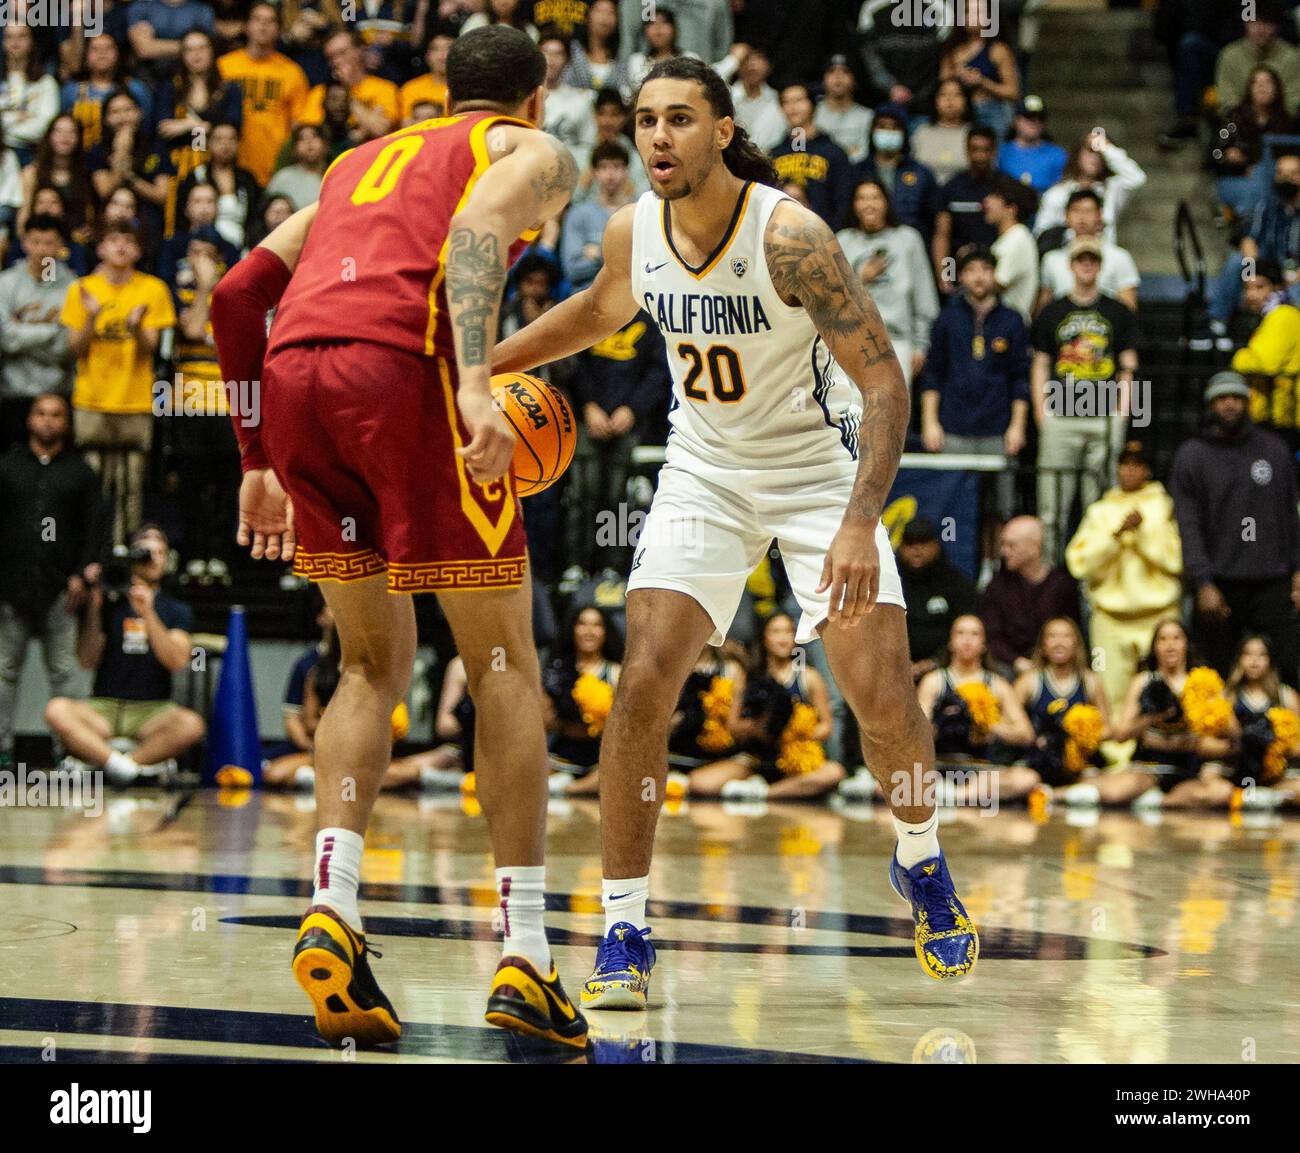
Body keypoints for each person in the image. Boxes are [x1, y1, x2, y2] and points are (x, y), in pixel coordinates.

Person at [496, 55, 981, 997]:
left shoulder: (791, 235)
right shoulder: (633, 228)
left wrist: (856, 521)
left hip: (815, 475)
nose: (659, 137)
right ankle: (625, 929)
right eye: (645, 121)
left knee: (881, 698)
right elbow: (599, 310)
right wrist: (479, 368)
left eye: (680, 118)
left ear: (724, 131)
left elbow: (884, 379)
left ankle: (920, 854)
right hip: (705, 472)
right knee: (641, 682)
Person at [209, 25, 586, 1050]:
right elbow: (472, 245)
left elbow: (237, 293)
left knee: (367, 663)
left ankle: (333, 901)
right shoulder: (529, 152)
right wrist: (472, 384)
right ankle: (526, 953)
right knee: (504, 659)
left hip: (295, 382)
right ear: (535, 99)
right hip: (403, 374)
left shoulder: (350, 158)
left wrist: (254, 458)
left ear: (443, 87)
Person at [46, 523, 204, 786]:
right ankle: (119, 765)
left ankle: (121, 764)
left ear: (168, 560)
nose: (152, 560)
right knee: (57, 710)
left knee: (192, 725)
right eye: (145, 552)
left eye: (159, 553)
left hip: (152, 710)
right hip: (103, 708)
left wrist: (148, 613)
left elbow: (176, 661)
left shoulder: (177, 609)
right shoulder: (109, 600)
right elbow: (86, 660)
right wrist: (95, 607)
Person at [1169, 371, 1300, 685]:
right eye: (1222, 398)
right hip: (1220, 583)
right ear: (1210, 405)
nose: (1230, 404)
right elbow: (1188, 523)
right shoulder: (1192, 455)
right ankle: (1216, 732)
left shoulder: (1275, 450)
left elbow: (1291, 515)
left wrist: (1298, 571)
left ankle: (1289, 731)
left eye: (1237, 398)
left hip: (1274, 579)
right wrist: (1202, 582)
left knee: (1287, 663)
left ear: (1248, 402)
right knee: (1216, 670)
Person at [0, 394, 103, 768]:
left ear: (66, 423)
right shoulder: (8, 467)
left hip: (63, 591)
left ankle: (71, 754)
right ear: (29, 420)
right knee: (3, 673)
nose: (47, 421)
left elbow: (94, 527)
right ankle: (2, 753)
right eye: (41, 414)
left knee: (66, 676)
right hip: (10, 589)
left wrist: (81, 573)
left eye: (56, 415)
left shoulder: (79, 473)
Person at [60, 222, 176, 544]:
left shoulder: (153, 289)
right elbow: (74, 349)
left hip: (135, 399)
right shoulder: (81, 289)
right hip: (91, 399)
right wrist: (93, 319)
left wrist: (136, 327)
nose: (121, 247)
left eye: (129, 241)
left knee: (132, 481)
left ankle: (125, 545)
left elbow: (150, 350)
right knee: (92, 478)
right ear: (100, 248)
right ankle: (90, 546)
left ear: (139, 251)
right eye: (113, 240)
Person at [1032, 235, 1138, 561]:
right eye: (1081, 260)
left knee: (1102, 508)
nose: (1087, 265)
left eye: (1092, 259)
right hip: (1061, 415)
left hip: (1103, 414)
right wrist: (1041, 412)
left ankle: (1096, 579)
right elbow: (1040, 363)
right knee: (1051, 510)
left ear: (1101, 265)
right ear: (1071, 265)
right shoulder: (1051, 311)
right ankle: (1048, 578)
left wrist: (1121, 414)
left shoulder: (1118, 311)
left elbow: (1128, 366)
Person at [1061, 620, 1235, 808]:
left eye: (1176, 638)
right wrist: (1153, 718)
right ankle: (1058, 793)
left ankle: (1161, 801)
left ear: (1186, 643)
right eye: (1163, 639)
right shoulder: (1143, 681)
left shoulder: (1203, 681)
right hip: (1149, 768)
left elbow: (1234, 738)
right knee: (1113, 793)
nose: (1170, 645)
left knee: (1222, 792)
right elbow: (1121, 735)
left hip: (1190, 770)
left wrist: (1204, 725)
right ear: (1154, 647)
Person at [1065, 441, 1183, 716]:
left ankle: (1160, 747)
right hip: (1111, 617)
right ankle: (1116, 754)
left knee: (1165, 688)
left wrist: (1141, 536)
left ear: (1147, 471)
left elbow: (1177, 561)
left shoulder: (1164, 507)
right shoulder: (1100, 510)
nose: (1130, 471)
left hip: (1159, 614)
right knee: (1110, 691)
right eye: (1125, 465)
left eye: (1137, 465)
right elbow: (1079, 563)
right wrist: (1116, 536)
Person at [685, 612, 846, 801]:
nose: (783, 638)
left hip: (796, 759)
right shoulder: (748, 676)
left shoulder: (808, 676)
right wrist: (757, 729)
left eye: (788, 632)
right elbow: (733, 726)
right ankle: (764, 785)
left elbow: (826, 725)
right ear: (764, 638)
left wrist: (795, 734)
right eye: (776, 632)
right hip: (755, 758)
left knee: (834, 773)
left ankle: (763, 793)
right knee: (699, 783)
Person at [919, 245, 1029, 521]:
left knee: (1000, 509)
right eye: (970, 271)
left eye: (985, 270)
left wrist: (1017, 426)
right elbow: (933, 374)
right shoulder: (947, 319)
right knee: (951, 505)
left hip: (997, 429)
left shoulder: (1013, 320)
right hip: (954, 426)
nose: (979, 277)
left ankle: (995, 563)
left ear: (994, 275)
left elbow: (1020, 378)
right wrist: (930, 422)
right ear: (962, 277)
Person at [834, 177, 937, 390]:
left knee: (894, 420)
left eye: (875, 197)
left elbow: (924, 297)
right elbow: (830, 301)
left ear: (886, 202)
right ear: (854, 204)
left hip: (897, 342)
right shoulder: (843, 240)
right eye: (862, 198)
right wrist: (859, 280)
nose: (869, 204)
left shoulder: (908, 239)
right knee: (854, 419)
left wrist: (921, 345)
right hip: (852, 343)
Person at [1007, 616, 1112, 802]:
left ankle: (1052, 795)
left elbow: (1108, 729)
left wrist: (1083, 736)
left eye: (1066, 636)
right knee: (1021, 780)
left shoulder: (1090, 682)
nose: (1059, 643)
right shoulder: (1029, 681)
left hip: (1080, 768)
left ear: (1077, 644)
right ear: (1042, 646)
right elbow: (1010, 723)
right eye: (1052, 637)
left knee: (1114, 785)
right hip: (1036, 766)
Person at [916, 614, 1034, 765]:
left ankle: (960, 790)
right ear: (950, 642)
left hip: (984, 768)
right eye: (960, 633)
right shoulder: (933, 681)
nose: (967, 640)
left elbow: (1026, 734)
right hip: (941, 764)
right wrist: (945, 724)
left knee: (1026, 778)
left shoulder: (997, 684)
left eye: (974, 634)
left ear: (984, 644)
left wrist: (988, 725)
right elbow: (918, 733)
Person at [0, 215, 76, 449]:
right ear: (24, 243)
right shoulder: (6, 283)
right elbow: (6, 339)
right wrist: (53, 330)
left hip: (58, 391)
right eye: (36, 242)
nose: (42, 250)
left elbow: (66, 347)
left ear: (61, 245)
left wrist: (23, 335)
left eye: (49, 242)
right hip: (13, 391)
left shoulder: (72, 285)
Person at [218, 3, 311, 188]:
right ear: (246, 26)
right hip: (228, 167)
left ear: (279, 30)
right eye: (257, 19)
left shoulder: (292, 72)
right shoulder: (224, 66)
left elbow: (298, 125)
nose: (263, 25)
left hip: (276, 169)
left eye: (270, 21)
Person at [979, 516, 1079, 678]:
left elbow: (1072, 632)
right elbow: (991, 635)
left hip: (1055, 665)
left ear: (1034, 547)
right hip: (1009, 666)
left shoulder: (1062, 585)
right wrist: (1017, 662)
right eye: (1003, 544)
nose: (1003, 551)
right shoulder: (997, 585)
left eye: (1011, 545)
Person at [543, 604, 622, 783]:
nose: (589, 631)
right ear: (572, 629)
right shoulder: (556, 672)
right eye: (582, 624)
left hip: (600, 758)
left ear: (605, 632)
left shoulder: (615, 672)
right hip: (560, 755)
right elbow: (545, 722)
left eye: (597, 625)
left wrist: (598, 717)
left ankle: (570, 788)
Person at [896, 516, 977, 682]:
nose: (917, 549)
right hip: (895, 667)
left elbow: (968, 628)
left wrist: (936, 661)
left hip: (948, 666)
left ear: (936, 545)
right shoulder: (888, 584)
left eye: (924, 543)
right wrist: (900, 663)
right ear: (901, 548)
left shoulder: (957, 583)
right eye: (910, 544)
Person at [1033, 130, 1147, 246]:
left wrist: (1107, 148)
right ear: (1078, 154)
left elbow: (1137, 179)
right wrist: (1075, 232)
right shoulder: (1057, 194)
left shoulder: (1112, 190)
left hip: (1103, 259)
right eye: (1090, 151)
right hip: (1065, 258)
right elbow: (1041, 233)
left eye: (1100, 153)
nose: (1095, 157)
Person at [1036, 188, 1140, 314]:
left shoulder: (1120, 257)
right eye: (1075, 210)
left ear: (1100, 215)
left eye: (1088, 211)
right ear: (1066, 216)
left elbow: (1129, 312)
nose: (1082, 217)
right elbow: (1043, 311)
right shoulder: (1051, 259)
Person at [1211, 65, 1296, 219]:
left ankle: (1250, 230)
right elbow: (1215, 153)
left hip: (1276, 183)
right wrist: (1229, 157)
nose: (1262, 87)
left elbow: (1291, 158)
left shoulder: (1287, 123)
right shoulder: (1234, 118)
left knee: (1263, 178)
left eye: (1268, 83)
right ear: (1249, 88)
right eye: (1256, 83)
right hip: (1237, 179)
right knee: (1258, 184)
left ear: (1277, 89)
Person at [1230, 258, 1300, 437]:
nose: (1252, 295)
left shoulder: (1283, 315)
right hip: (1275, 419)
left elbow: (1266, 363)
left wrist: (1239, 357)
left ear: (1277, 287)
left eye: (1260, 287)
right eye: (1247, 288)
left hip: (1285, 422)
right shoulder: (1268, 317)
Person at [771, 82, 854, 230]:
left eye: (798, 100)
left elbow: (843, 203)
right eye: (786, 102)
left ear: (812, 104)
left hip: (825, 236)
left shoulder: (833, 153)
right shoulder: (773, 155)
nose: (792, 107)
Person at [852, 102, 938, 242]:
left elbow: (936, 219)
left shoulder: (921, 173)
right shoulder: (857, 171)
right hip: (864, 242)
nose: (888, 132)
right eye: (882, 126)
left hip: (910, 246)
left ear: (904, 133)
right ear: (872, 131)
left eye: (894, 127)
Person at [298, 30, 399, 143]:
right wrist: (365, 125)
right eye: (331, 57)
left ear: (359, 51)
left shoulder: (384, 88)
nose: (336, 61)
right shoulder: (320, 93)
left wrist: (347, 95)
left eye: (342, 53)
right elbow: (310, 135)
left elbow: (381, 129)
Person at [938, 0, 1019, 142]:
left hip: (991, 113)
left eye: (978, 12)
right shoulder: (953, 50)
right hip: (959, 115)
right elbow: (943, 82)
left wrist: (982, 82)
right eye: (968, 12)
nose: (972, 17)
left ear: (990, 16)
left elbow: (1012, 92)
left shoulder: (998, 50)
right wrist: (957, 76)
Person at [932, 126, 1000, 292]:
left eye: (985, 150)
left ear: (994, 151)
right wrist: (946, 276)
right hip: (959, 273)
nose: (980, 156)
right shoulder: (951, 187)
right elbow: (942, 235)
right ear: (966, 150)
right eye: (974, 149)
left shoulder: (1003, 188)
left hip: (994, 274)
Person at [61, 32, 154, 151]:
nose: (102, 54)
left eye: (108, 48)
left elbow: (147, 128)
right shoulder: (71, 90)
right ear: (85, 55)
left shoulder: (136, 88)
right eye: (95, 49)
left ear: (118, 53)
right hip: (79, 157)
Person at [561, 138, 633, 290]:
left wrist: (598, 253)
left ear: (626, 171)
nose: (610, 174)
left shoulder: (640, 211)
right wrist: (624, 255)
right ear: (594, 173)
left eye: (617, 166)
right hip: (588, 297)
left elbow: (648, 265)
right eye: (603, 167)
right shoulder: (577, 213)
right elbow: (572, 270)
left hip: (630, 297)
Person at [984, 174, 1039, 322]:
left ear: (1011, 209)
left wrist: (960, 265)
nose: (986, 201)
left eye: (995, 197)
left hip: (1011, 329)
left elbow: (994, 284)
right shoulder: (1006, 238)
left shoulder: (1018, 238)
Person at [998, 95, 1067, 196]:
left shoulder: (1058, 155)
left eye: (1040, 118)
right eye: (1029, 117)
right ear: (1016, 121)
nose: (1035, 122)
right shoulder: (1001, 153)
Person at [910, 77, 971, 187]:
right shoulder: (922, 132)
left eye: (957, 94)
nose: (950, 99)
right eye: (943, 94)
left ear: (966, 100)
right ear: (935, 100)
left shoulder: (972, 133)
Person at [815, 54, 872, 166]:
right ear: (823, 79)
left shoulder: (868, 117)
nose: (838, 76)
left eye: (845, 71)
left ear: (854, 79)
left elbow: (864, 155)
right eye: (831, 71)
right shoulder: (812, 114)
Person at [729, 46, 786, 153]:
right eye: (746, 59)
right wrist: (731, 61)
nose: (752, 64)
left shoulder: (778, 99)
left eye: (759, 58)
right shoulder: (726, 97)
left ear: (768, 65)